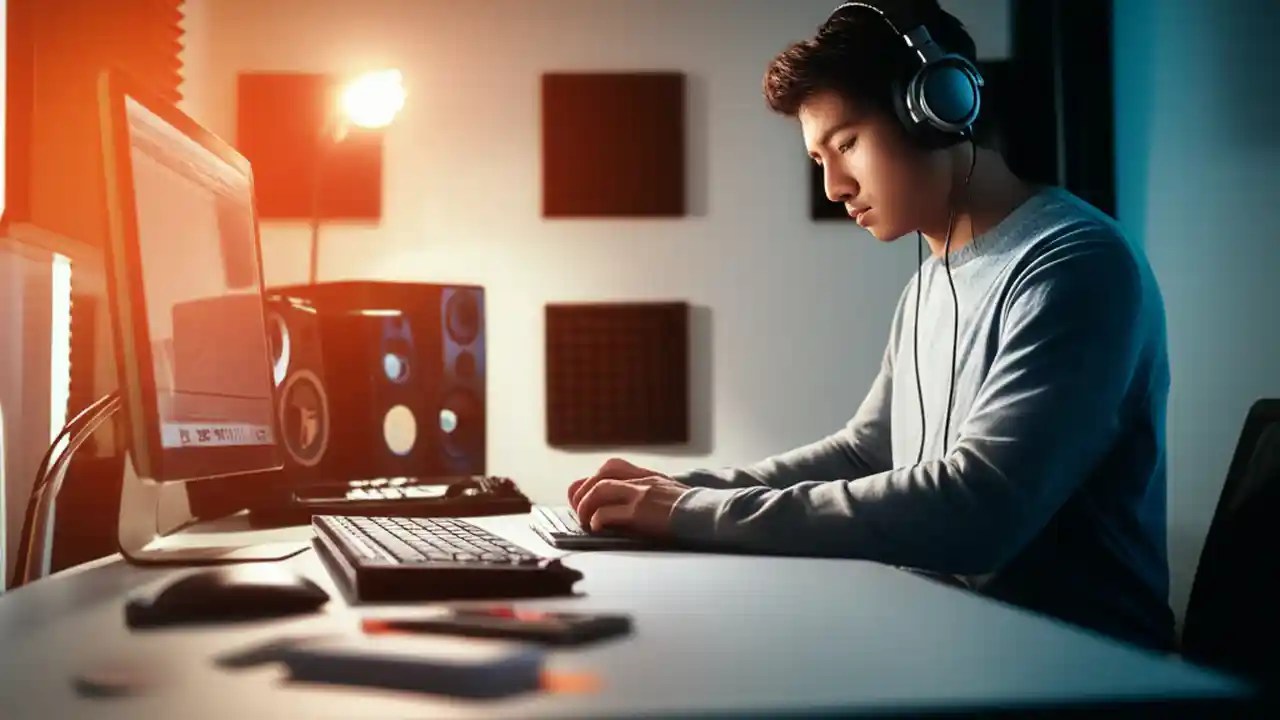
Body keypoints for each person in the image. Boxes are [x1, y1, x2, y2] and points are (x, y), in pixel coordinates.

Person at [567, 0, 1175, 652]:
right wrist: (677, 491)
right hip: (954, 647)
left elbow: (982, 508)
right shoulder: (926, 283)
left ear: (939, 109)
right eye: (817, 158)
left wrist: (694, 515)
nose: (832, 185)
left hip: (1079, 670)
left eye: (847, 143)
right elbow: (867, 452)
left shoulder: (1074, 264)